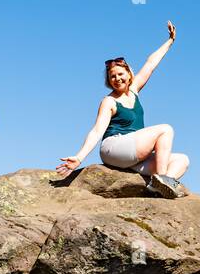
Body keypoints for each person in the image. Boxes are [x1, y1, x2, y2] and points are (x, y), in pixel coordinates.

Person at [55, 21, 189, 198]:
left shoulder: (134, 91)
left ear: (128, 74)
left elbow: (150, 64)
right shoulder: (109, 101)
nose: (117, 79)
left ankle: (158, 187)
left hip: (133, 157)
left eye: (120, 74)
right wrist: (79, 157)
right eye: (112, 77)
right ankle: (162, 179)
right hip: (114, 148)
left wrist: (170, 41)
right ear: (109, 81)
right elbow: (96, 131)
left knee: (182, 160)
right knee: (165, 129)